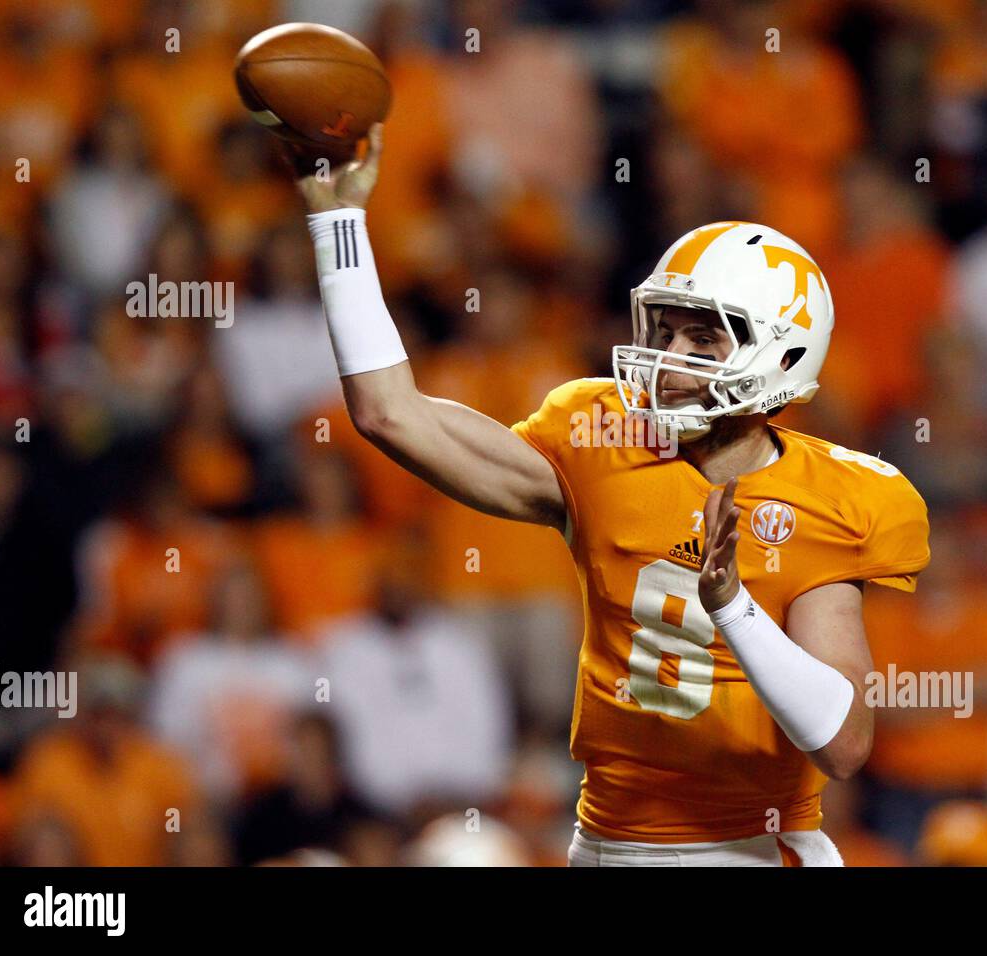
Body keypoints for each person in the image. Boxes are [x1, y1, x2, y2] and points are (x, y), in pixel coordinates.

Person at [289, 125, 930, 867]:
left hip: (748, 850)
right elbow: (386, 412)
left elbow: (845, 741)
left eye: (704, 339)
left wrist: (734, 608)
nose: (669, 358)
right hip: (604, 845)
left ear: (782, 356)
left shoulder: (834, 496)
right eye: (665, 329)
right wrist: (337, 223)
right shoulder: (600, 442)